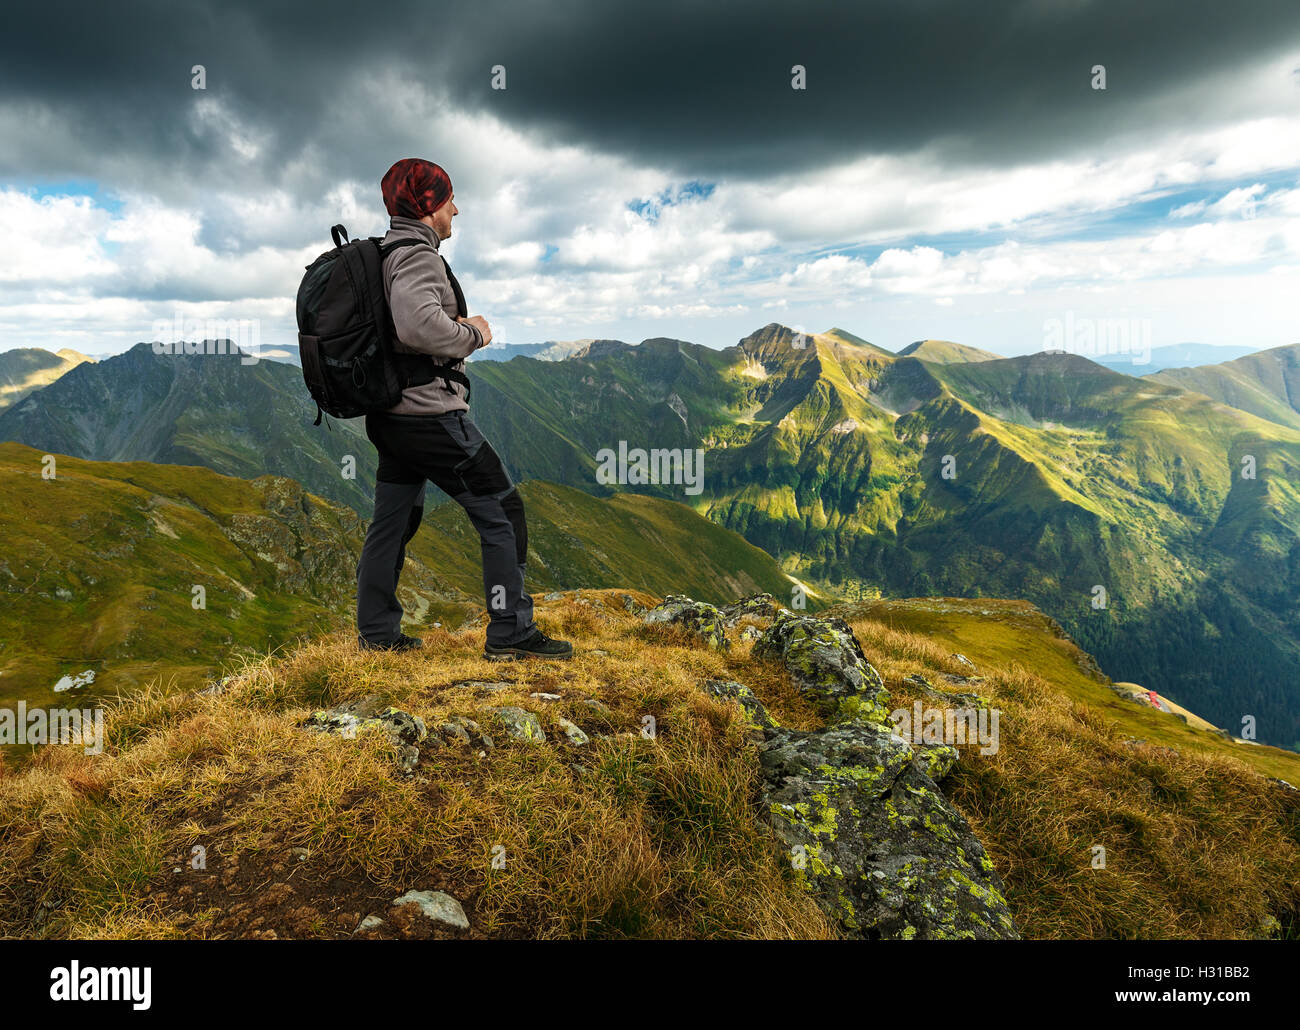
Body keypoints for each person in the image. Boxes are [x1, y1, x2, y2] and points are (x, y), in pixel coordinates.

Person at [354, 157, 572, 660]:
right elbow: (417, 326)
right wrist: (473, 333)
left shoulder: (386, 252)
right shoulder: (417, 256)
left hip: (391, 418)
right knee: (502, 511)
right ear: (429, 205)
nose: (457, 208)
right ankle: (511, 632)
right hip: (430, 417)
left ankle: (378, 636)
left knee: (392, 522)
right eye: (449, 198)